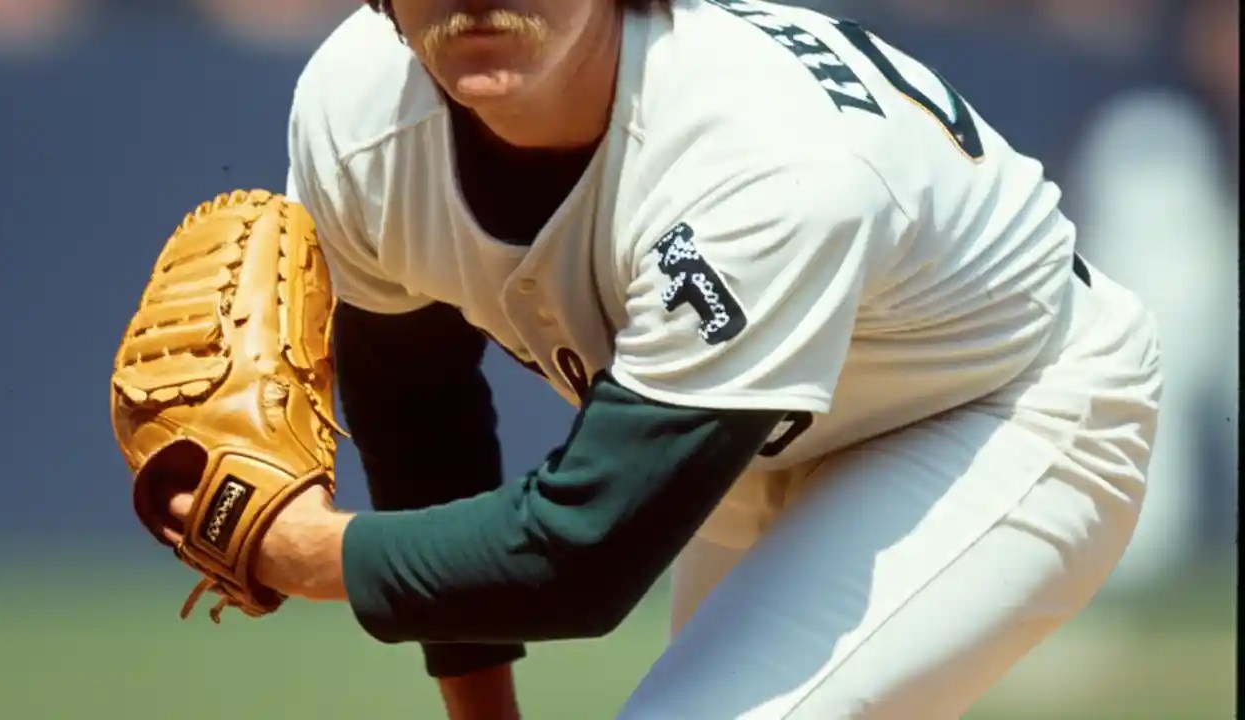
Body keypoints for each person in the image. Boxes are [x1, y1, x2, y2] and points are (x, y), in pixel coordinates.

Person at [167, 1, 1162, 717]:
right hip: (740, 447)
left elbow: (580, 557)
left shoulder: (756, 155)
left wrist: (293, 550)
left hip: (1000, 410)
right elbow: (420, 416)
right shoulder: (355, 116)